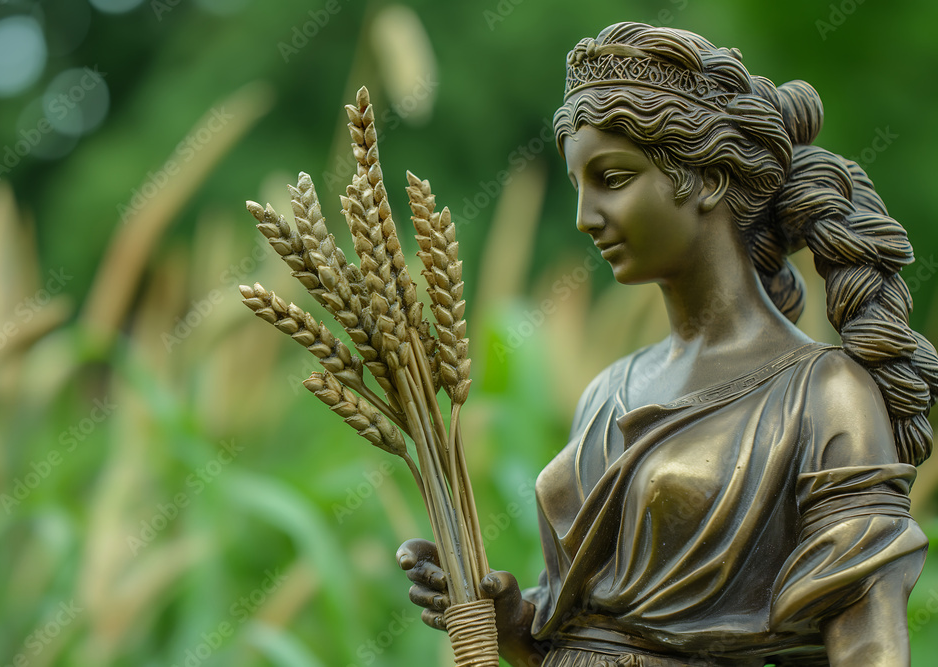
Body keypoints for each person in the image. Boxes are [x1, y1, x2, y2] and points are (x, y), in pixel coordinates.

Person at [397, 22, 938, 667]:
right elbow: (585, 632)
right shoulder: (606, 390)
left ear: (708, 178)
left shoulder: (824, 394)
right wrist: (514, 625)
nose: (584, 217)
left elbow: (870, 640)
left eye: (613, 178)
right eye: (577, 185)